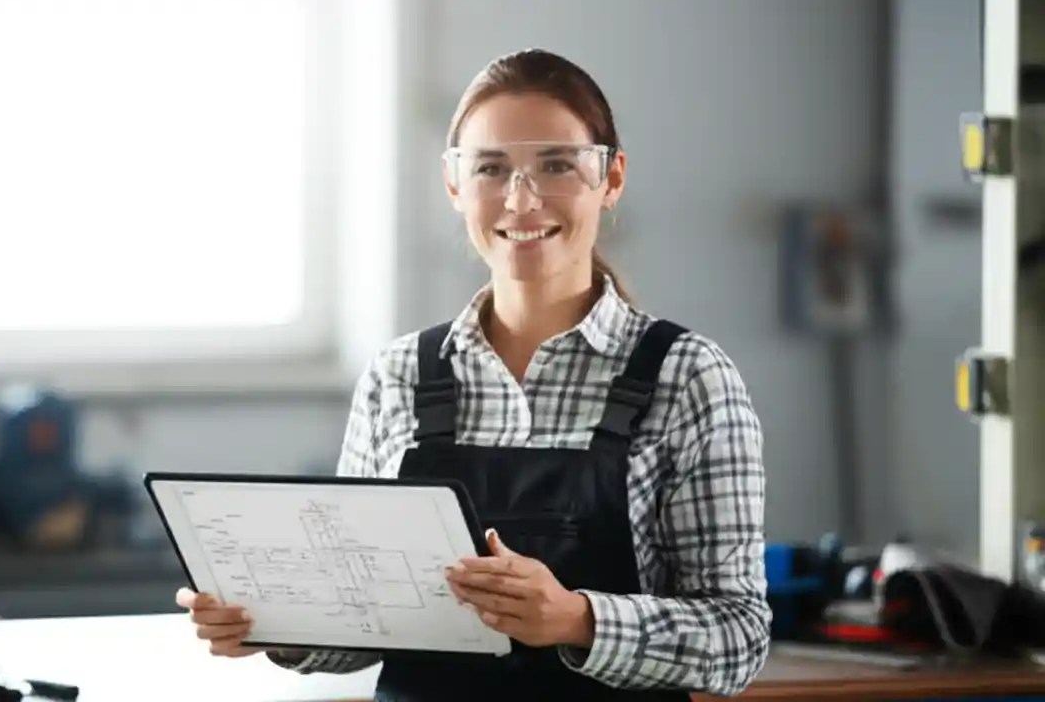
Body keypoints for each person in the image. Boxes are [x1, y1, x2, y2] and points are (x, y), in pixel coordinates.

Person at [176, 48, 770, 701]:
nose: (521, 199)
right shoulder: (399, 376)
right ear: (455, 186)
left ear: (612, 178)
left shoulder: (689, 378)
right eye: (491, 168)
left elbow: (739, 639)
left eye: (556, 165)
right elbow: (363, 621)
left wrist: (579, 620)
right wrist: (277, 625)